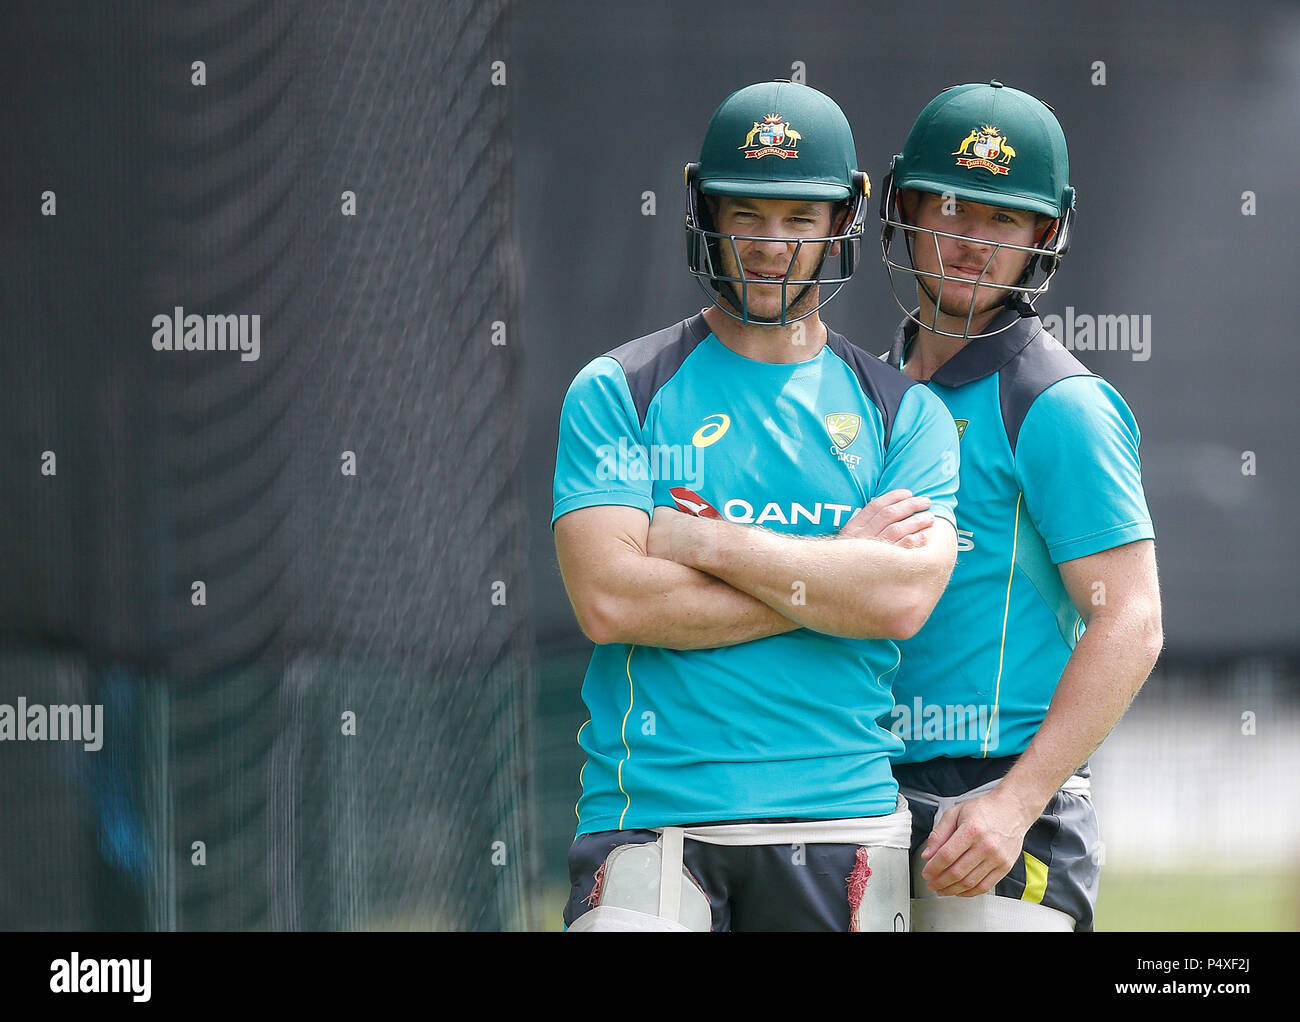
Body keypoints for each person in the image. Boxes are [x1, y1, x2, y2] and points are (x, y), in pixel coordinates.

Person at [551, 80, 961, 931]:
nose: (772, 244)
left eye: (799, 218)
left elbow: (897, 598)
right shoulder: (619, 389)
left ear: (841, 221)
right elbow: (610, 599)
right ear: (708, 214)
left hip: (841, 818)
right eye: (748, 215)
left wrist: (707, 543)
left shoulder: (905, 412)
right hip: (652, 819)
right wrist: (834, 571)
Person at [877, 80, 1163, 931]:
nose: (971, 242)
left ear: (1044, 235)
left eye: (1004, 219)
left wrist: (1015, 801)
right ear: (906, 206)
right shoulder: (871, 392)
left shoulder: (1057, 403)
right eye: (953, 208)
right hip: (863, 799)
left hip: (1005, 818)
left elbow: (1133, 623)